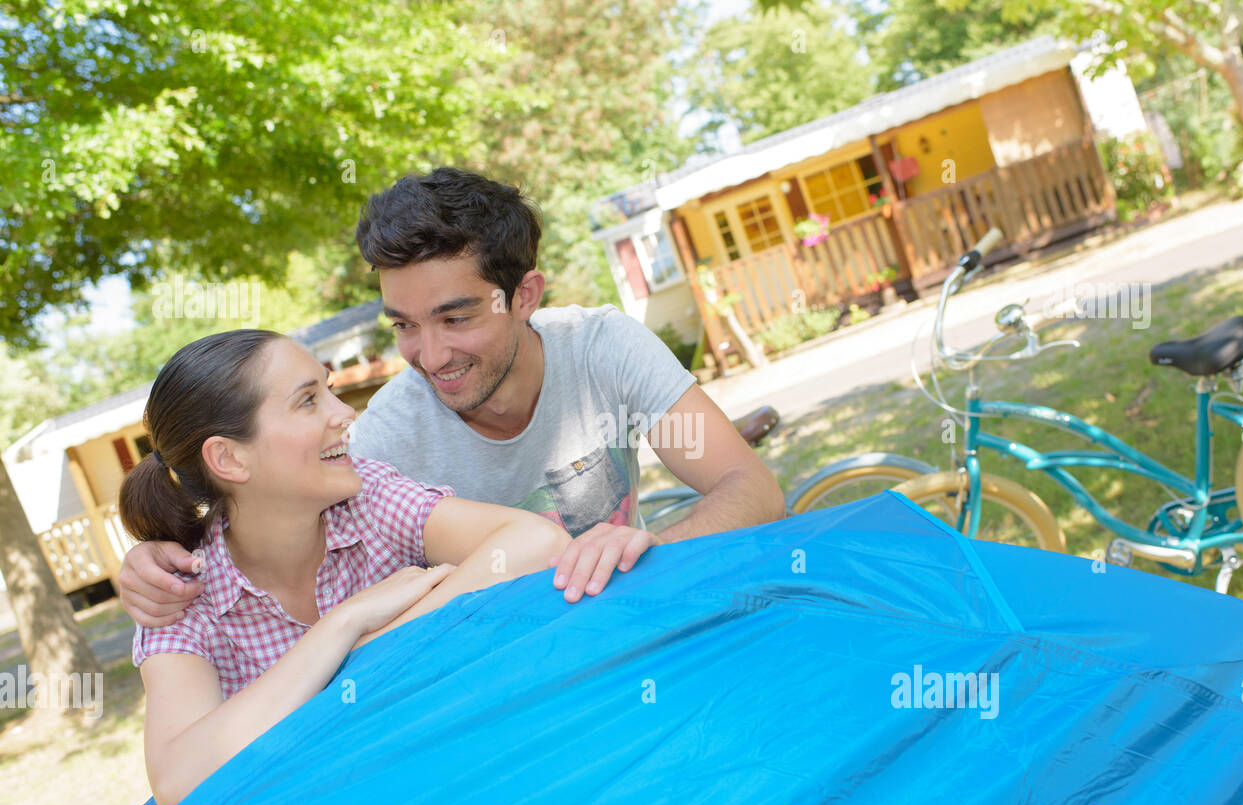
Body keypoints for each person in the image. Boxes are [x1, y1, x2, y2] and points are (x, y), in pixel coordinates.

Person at [118, 166, 786, 628]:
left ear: (524, 295)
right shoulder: (383, 442)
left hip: (633, 634)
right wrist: (156, 560)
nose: (429, 356)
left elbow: (750, 486)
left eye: (455, 318)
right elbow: (264, 523)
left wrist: (643, 547)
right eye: (404, 325)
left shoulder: (602, 348)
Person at [120, 329, 572, 805]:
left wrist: (371, 644)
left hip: (442, 787)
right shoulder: (181, 594)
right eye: (309, 400)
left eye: (328, 389)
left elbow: (538, 542)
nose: (344, 413)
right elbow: (177, 783)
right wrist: (343, 624)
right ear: (229, 458)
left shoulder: (366, 500)